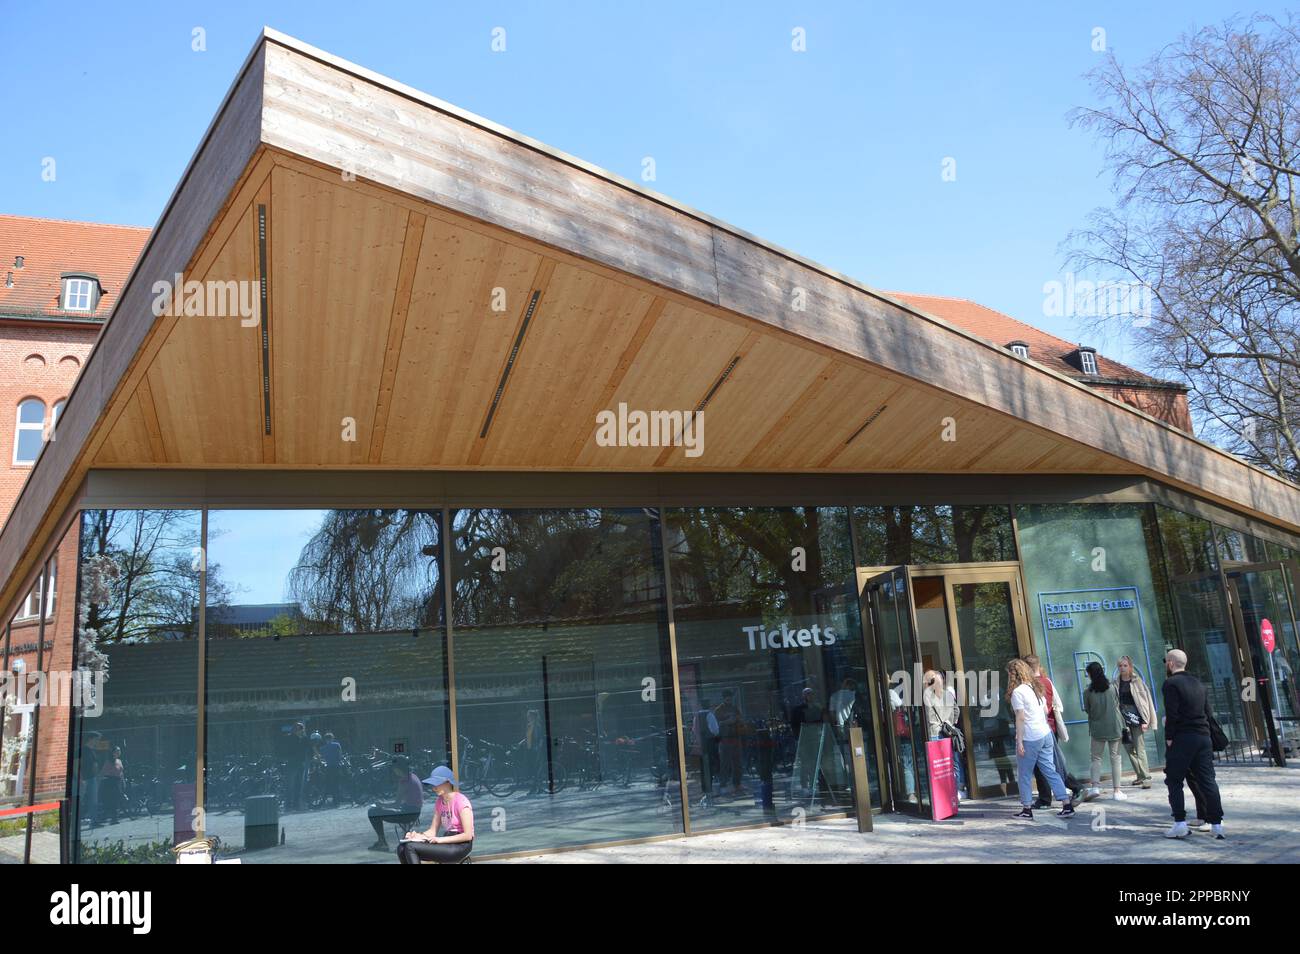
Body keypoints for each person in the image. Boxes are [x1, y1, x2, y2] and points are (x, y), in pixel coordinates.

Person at [1161, 650, 1225, 839]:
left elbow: (1172, 714)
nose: (1166, 664)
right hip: (1203, 737)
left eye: (1166, 661)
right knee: (1207, 780)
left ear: (1171, 663)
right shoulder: (1199, 683)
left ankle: (1180, 823)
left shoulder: (1170, 684)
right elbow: (1208, 712)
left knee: (1174, 780)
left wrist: (1169, 736)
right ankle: (1216, 825)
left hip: (1183, 737)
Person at [1007, 659, 1075, 820]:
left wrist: (1019, 741)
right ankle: (1066, 804)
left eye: (1009, 673)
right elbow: (1045, 709)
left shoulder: (1018, 692)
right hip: (1045, 733)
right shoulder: (1036, 687)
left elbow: (1021, 717)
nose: (1008, 677)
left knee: (1024, 773)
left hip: (1031, 736)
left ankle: (1026, 808)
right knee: (1050, 770)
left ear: (1013, 674)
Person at [1024, 655, 1080, 808]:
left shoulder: (1031, 685)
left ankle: (1066, 790)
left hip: (1040, 729)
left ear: (1027, 668)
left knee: (1046, 765)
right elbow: (1057, 704)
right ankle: (1049, 796)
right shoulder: (1047, 681)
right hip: (1051, 727)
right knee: (1050, 763)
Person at [398, 765, 473, 864]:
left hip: (461, 845)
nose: (434, 788)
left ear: (447, 782)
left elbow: (468, 836)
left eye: (436, 783)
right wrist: (418, 836)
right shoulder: (440, 801)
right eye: (433, 784)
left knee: (410, 847)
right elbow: (432, 831)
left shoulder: (461, 801)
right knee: (402, 848)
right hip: (447, 842)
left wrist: (440, 840)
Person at [1079, 661, 1126, 801]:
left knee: (1095, 758)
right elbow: (1117, 704)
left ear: (1090, 674)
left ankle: (1095, 787)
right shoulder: (1112, 687)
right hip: (1114, 726)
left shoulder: (1087, 691)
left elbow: (1087, 709)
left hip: (1097, 728)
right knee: (1116, 758)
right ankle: (1117, 791)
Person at [922, 670, 967, 799]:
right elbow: (956, 710)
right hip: (949, 731)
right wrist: (950, 723)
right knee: (953, 761)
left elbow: (927, 715)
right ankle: (958, 788)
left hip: (936, 732)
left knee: (939, 765)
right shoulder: (948, 694)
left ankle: (944, 793)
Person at [366, 755, 425, 851]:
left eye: (394, 768)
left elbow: (396, 804)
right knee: (377, 811)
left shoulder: (404, 780)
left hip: (407, 814)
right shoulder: (413, 776)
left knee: (373, 812)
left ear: (398, 769)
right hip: (414, 812)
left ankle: (382, 842)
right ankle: (382, 842)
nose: (393, 771)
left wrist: (381, 804)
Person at [1115, 656, 1156, 789]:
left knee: (1140, 748)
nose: (1122, 668)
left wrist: (1146, 720)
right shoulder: (1115, 683)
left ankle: (1146, 777)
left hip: (1137, 718)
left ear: (1130, 666)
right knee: (1128, 747)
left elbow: (1145, 701)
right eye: (1120, 666)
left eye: (1125, 665)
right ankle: (1140, 775)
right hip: (1123, 719)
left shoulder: (1137, 681)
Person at [714, 690, 744, 795]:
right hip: (725, 739)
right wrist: (728, 721)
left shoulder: (735, 708)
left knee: (737, 762)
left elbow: (741, 720)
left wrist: (738, 720)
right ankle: (723, 785)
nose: (729, 699)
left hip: (736, 737)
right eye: (727, 697)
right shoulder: (718, 710)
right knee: (725, 763)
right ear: (723, 698)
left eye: (730, 697)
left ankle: (737, 783)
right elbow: (715, 725)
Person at [98, 745, 125, 826]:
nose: (118, 752)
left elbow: (121, 772)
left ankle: (114, 817)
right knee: (111, 800)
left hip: (118, 781)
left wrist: (123, 781)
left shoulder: (119, 761)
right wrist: (99, 780)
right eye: (117, 751)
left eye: (119, 751)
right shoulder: (108, 761)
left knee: (117, 799)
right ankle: (112, 818)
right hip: (110, 782)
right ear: (113, 752)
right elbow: (103, 772)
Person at [319, 732, 343, 805]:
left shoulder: (322, 748)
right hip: (336, 766)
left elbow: (322, 757)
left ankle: (330, 799)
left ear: (325, 739)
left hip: (328, 767)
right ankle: (337, 800)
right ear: (332, 738)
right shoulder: (336, 745)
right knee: (337, 782)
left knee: (330, 783)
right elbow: (340, 755)